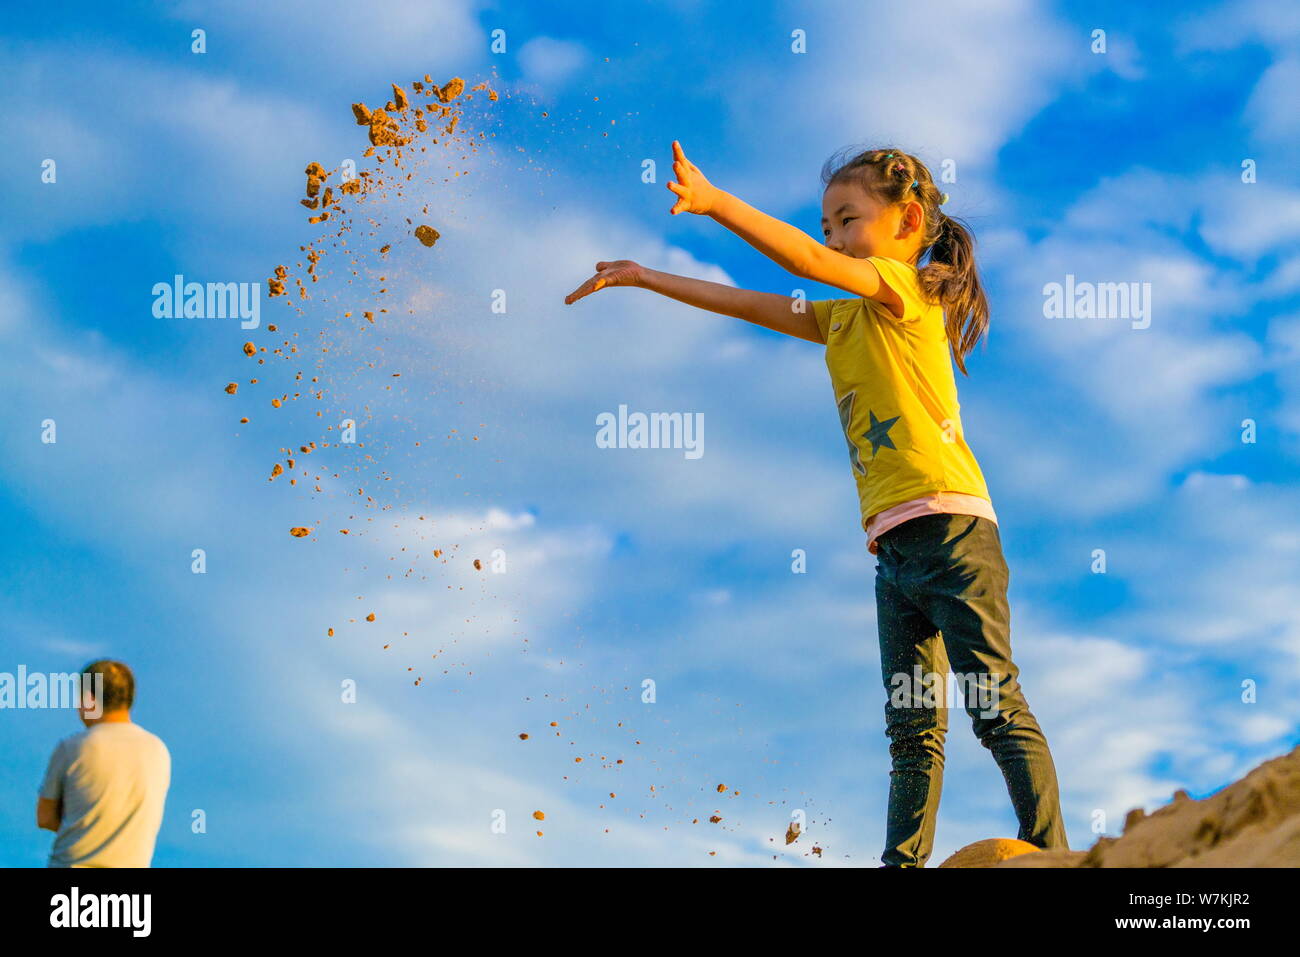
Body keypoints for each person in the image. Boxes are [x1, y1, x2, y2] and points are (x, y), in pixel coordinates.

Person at [564, 141, 1069, 867]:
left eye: (847, 220)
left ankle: (1058, 854)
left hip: (954, 531)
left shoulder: (902, 293)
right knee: (911, 729)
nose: (833, 238)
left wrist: (716, 203)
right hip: (892, 551)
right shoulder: (839, 321)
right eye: (827, 225)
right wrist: (647, 277)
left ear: (908, 220)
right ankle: (901, 862)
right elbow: (746, 300)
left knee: (992, 702)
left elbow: (801, 261)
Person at [37, 659, 171, 867]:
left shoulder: (73, 748)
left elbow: (45, 817)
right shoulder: (158, 750)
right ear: (129, 698)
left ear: (90, 700)